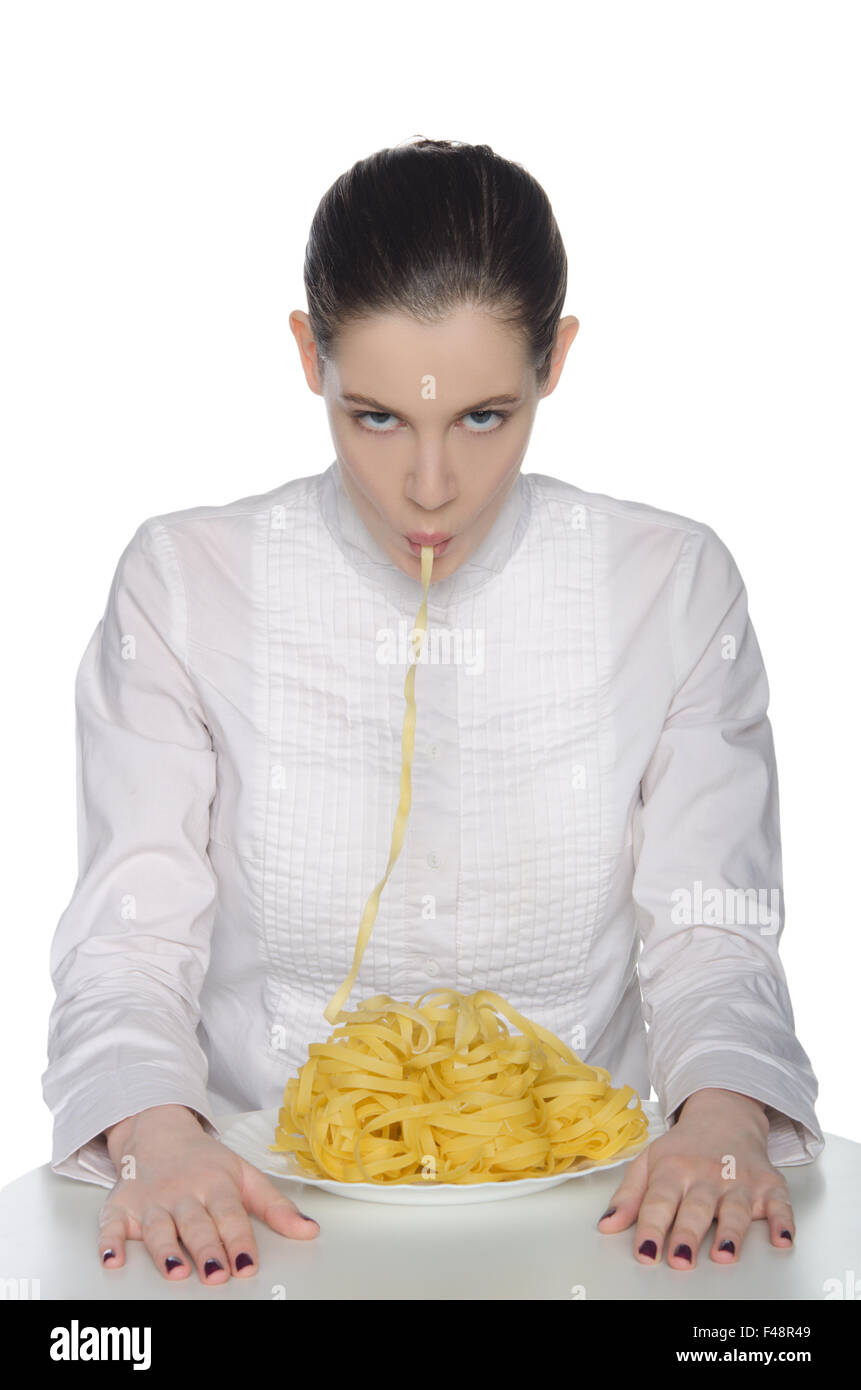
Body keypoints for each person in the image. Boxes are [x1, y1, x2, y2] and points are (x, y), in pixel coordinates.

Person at [42, 136, 823, 1285]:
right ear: (308, 354)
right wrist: (159, 1135)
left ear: (556, 360)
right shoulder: (183, 587)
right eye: (375, 417)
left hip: (595, 1232)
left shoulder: (670, 586)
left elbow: (711, 928)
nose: (428, 488)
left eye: (482, 416)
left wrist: (722, 1115)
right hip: (254, 1215)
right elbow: (130, 940)